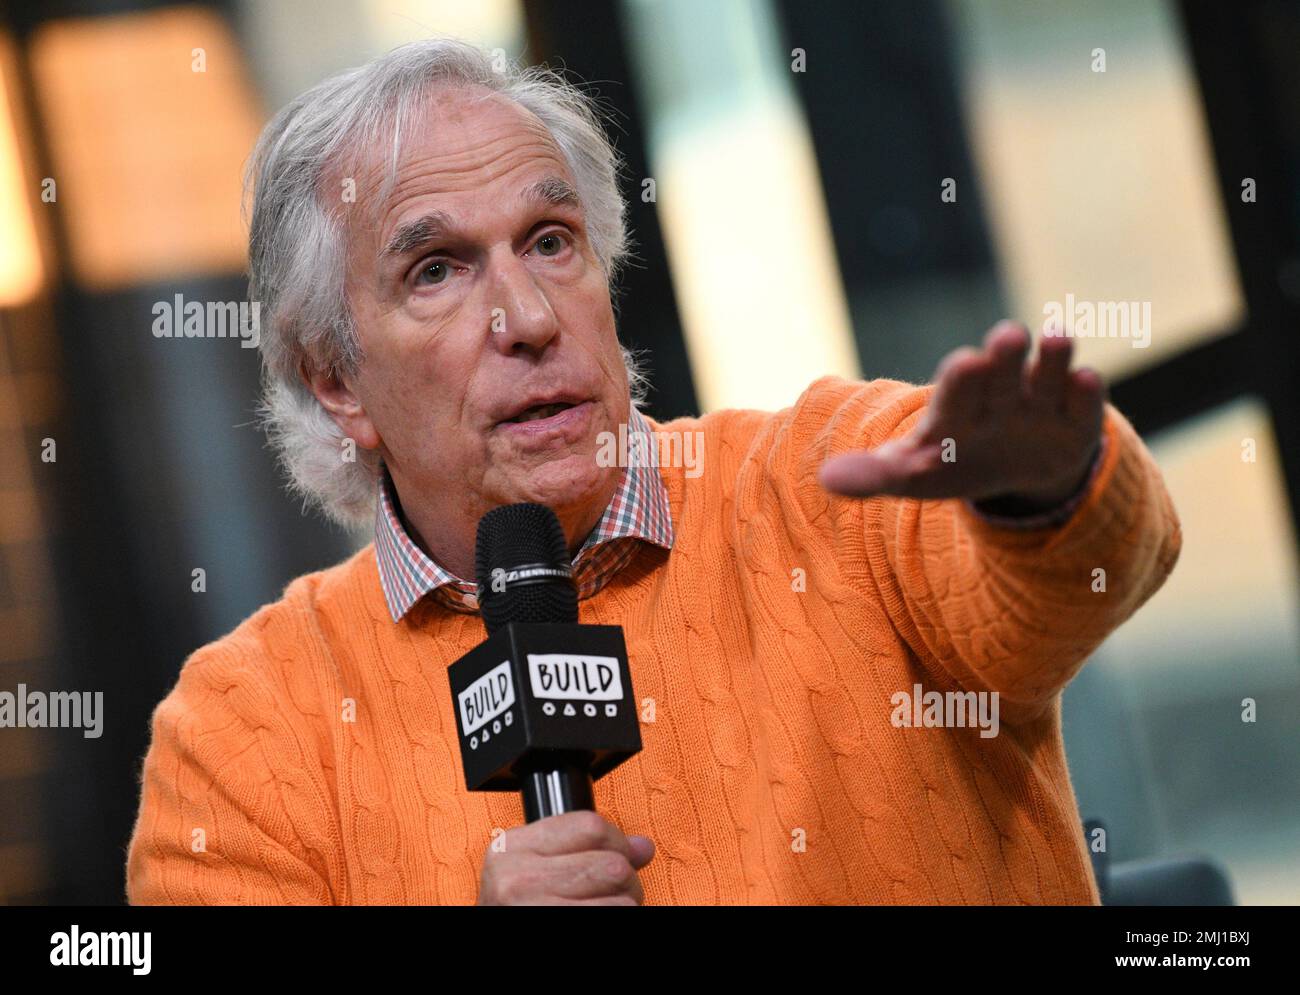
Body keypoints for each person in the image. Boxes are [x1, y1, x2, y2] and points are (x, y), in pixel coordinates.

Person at [125, 38, 1181, 905]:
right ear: (335, 379)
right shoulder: (242, 734)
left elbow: (1070, 579)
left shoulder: (826, 482)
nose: (530, 319)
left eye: (550, 241)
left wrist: (1043, 486)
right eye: (436, 270)